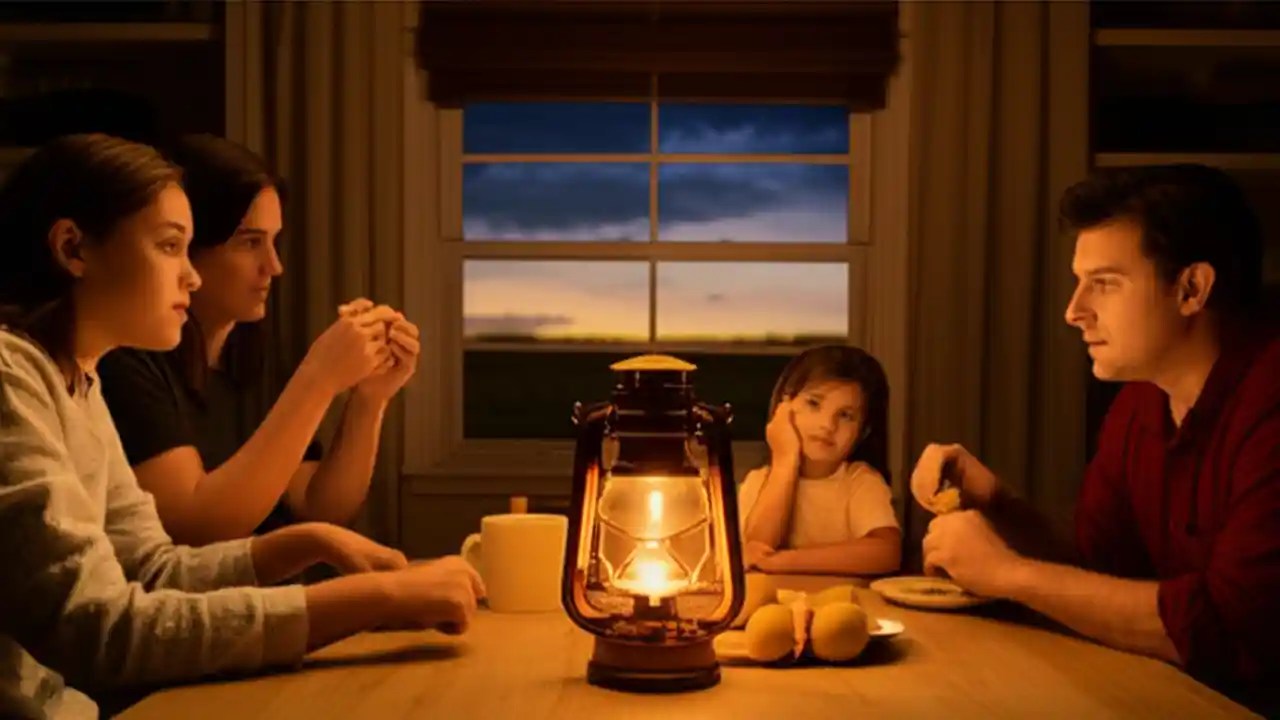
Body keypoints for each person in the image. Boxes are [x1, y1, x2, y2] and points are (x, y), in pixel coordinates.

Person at [0, 134, 481, 719]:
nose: (192, 277)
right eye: (171, 246)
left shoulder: (80, 376)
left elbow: (152, 569)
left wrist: (311, 541)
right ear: (74, 248)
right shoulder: (12, 375)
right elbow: (98, 628)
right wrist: (373, 600)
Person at [910, 164, 1279, 711]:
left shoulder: (1269, 402)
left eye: (1104, 283)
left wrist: (1007, 574)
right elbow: (1097, 569)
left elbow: (1231, 630)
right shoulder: (1141, 400)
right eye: (1078, 282)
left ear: (1191, 289)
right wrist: (1000, 504)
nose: (1074, 311)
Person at [98, 134, 418, 544]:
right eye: (250, 243)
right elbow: (193, 526)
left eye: (274, 241)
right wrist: (319, 378)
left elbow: (319, 506)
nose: (274, 266)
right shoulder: (126, 361)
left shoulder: (251, 356)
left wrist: (370, 399)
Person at [738, 345, 901, 575]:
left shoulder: (859, 482)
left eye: (845, 415)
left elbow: (886, 552)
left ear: (863, 431)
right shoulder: (759, 481)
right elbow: (756, 549)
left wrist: (787, 561)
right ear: (784, 408)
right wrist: (785, 460)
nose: (827, 425)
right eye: (814, 403)